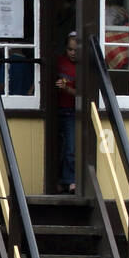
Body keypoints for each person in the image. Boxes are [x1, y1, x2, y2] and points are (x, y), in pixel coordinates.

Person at [54, 32, 78, 193]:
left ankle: (69, 181)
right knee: (57, 148)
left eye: (76, 50)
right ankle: (58, 181)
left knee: (70, 148)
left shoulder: (82, 68)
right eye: (70, 49)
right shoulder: (58, 61)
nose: (73, 53)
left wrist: (66, 88)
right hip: (55, 109)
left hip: (71, 111)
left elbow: (83, 94)